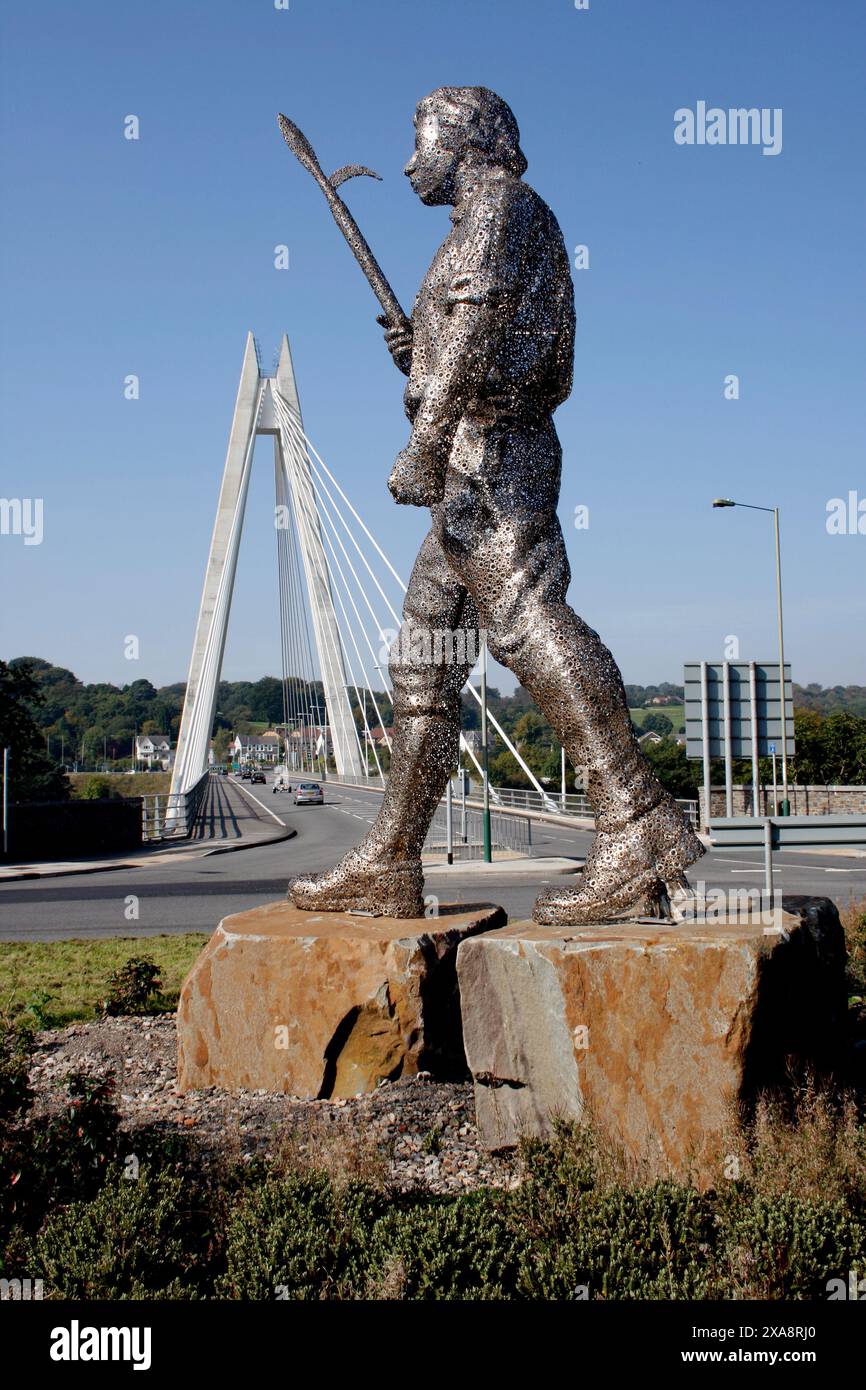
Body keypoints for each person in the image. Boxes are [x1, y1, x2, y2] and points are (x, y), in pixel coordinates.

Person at [290, 86, 703, 923]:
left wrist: (426, 438)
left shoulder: (501, 208)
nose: (409, 162)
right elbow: (463, 338)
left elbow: (480, 337)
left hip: (494, 457)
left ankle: (636, 824)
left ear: (469, 141)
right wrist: (419, 353)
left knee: (525, 623)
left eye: (421, 141)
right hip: (468, 471)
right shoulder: (477, 229)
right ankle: (391, 861)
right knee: (423, 667)